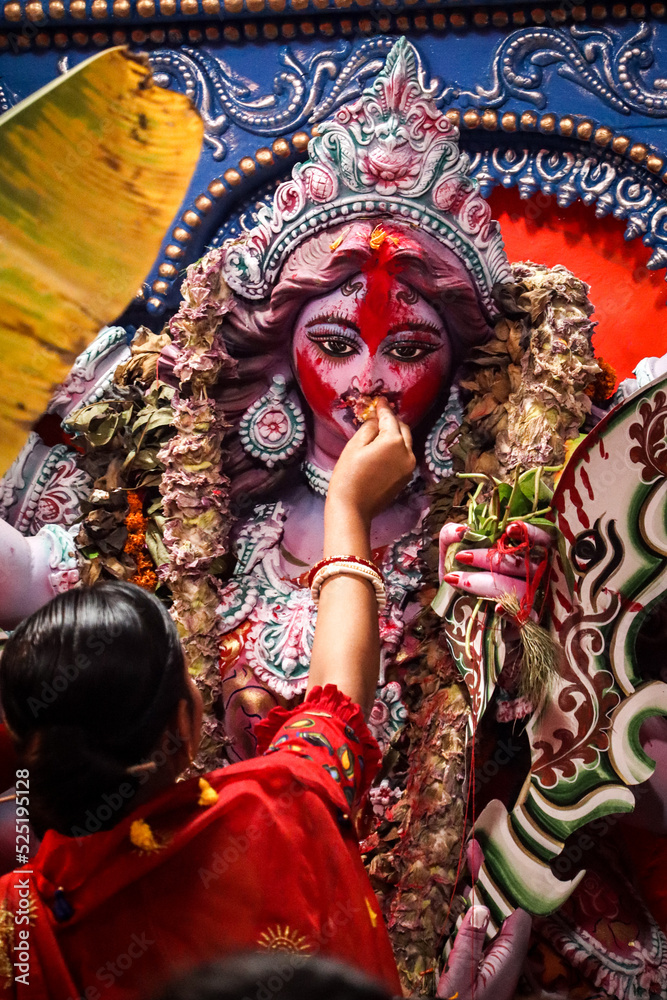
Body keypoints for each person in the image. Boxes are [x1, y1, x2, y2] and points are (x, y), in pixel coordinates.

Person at [0, 400, 412, 999]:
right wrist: (348, 507)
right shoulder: (276, 812)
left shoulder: (21, 934)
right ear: (182, 732)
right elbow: (337, 702)